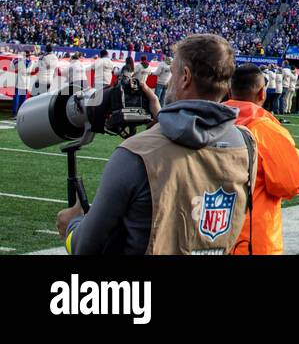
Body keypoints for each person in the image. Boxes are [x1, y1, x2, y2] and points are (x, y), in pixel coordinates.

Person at [58, 34, 256, 255]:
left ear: (185, 77)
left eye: (173, 73)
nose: (169, 82)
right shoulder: (247, 143)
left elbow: (86, 247)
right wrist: (161, 121)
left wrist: (73, 226)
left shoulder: (135, 153)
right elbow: (195, 140)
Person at [227, 64, 299, 255]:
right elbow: (292, 182)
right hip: (250, 239)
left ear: (229, 90)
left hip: (206, 233)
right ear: (262, 93)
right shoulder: (265, 130)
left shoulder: (206, 123)